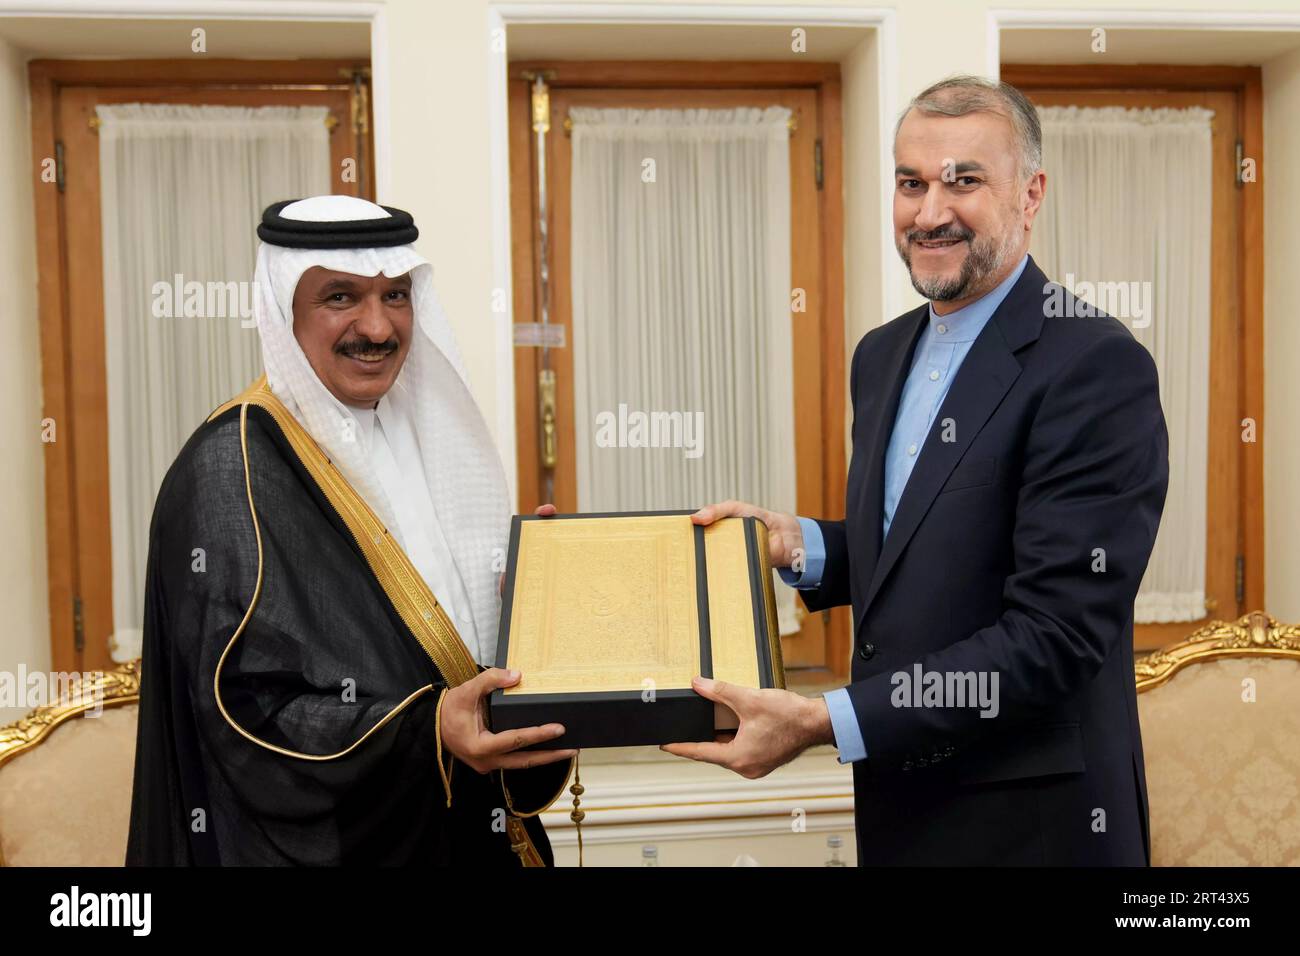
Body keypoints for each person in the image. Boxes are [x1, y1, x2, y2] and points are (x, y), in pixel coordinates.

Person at [665, 75, 1169, 865]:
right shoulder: (883, 353)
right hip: (900, 813)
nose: (930, 211)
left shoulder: (1096, 365)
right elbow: (922, 544)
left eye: (964, 180)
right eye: (911, 183)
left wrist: (827, 720)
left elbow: (1054, 635)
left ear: (1030, 194)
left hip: (1035, 830)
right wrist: (802, 547)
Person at [127, 195, 575, 866]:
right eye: (340, 298)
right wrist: (426, 731)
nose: (377, 326)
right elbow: (239, 710)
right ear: (285, 312)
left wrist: (527, 610)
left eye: (395, 295)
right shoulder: (232, 467)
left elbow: (440, 648)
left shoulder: (421, 438)